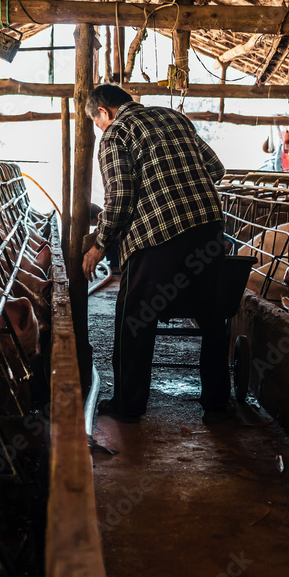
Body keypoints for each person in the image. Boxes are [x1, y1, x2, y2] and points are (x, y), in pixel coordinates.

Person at [81, 84, 230, 424]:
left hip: (159, 236)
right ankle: (217, 404)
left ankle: (128, 406)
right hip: (208, 228)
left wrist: (100, 245)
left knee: (135, 317)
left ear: (103, 112)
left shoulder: (115, 134)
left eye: (96, 122)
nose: (99, 128)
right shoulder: (174, 118)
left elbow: (119, 197)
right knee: (212, 318)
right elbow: (216, 170)